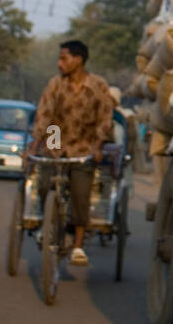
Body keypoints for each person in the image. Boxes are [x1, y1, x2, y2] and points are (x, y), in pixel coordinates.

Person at [26, 39, 114, 268]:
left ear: (78, 60)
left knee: (80, 193)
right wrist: (34, 145)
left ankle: (77, 245)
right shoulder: (55, 84)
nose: (59, 63)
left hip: (84, 145)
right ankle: (48, 225)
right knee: (44, 183)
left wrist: (98, 146)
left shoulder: (98, 85)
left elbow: (105, 118)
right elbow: (44, 113)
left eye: (63, 58)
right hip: (56, 140)